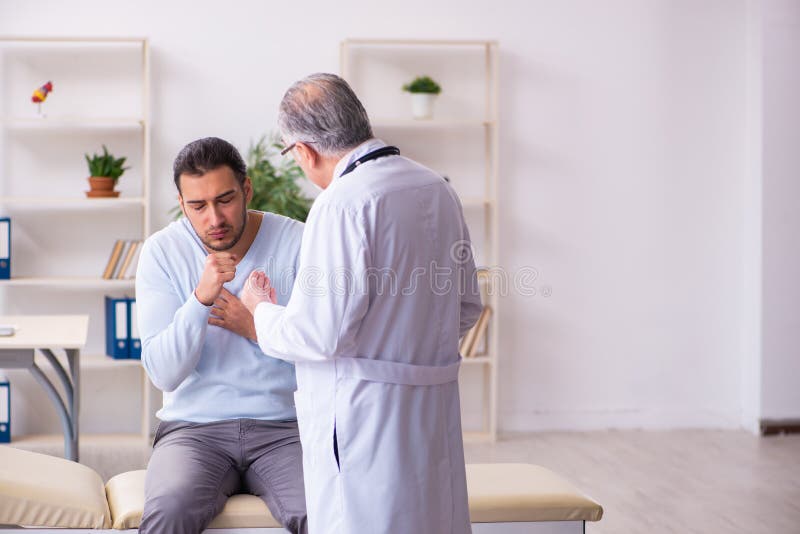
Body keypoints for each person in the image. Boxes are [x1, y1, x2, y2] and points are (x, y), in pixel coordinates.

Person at [240, 73, 483, 534]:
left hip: (365, 415)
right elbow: (468, 305)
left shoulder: (341, 204)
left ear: (303, 151)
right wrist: (411, 349)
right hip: (433, 409)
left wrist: (260, 310)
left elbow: (319, 333)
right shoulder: (437, 187)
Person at [136, 137, 307, 534]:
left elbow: (323, 349)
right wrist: (200, 299)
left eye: (225, 199)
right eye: (198, 206)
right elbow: (164, 374)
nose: (214, 218)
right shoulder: (162, 252)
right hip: (194, 430)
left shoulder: (298, 242)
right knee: (168, 510)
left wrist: (253, 325)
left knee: (325, 511)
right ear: (182, 205)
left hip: (285, 428)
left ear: (246, 189)